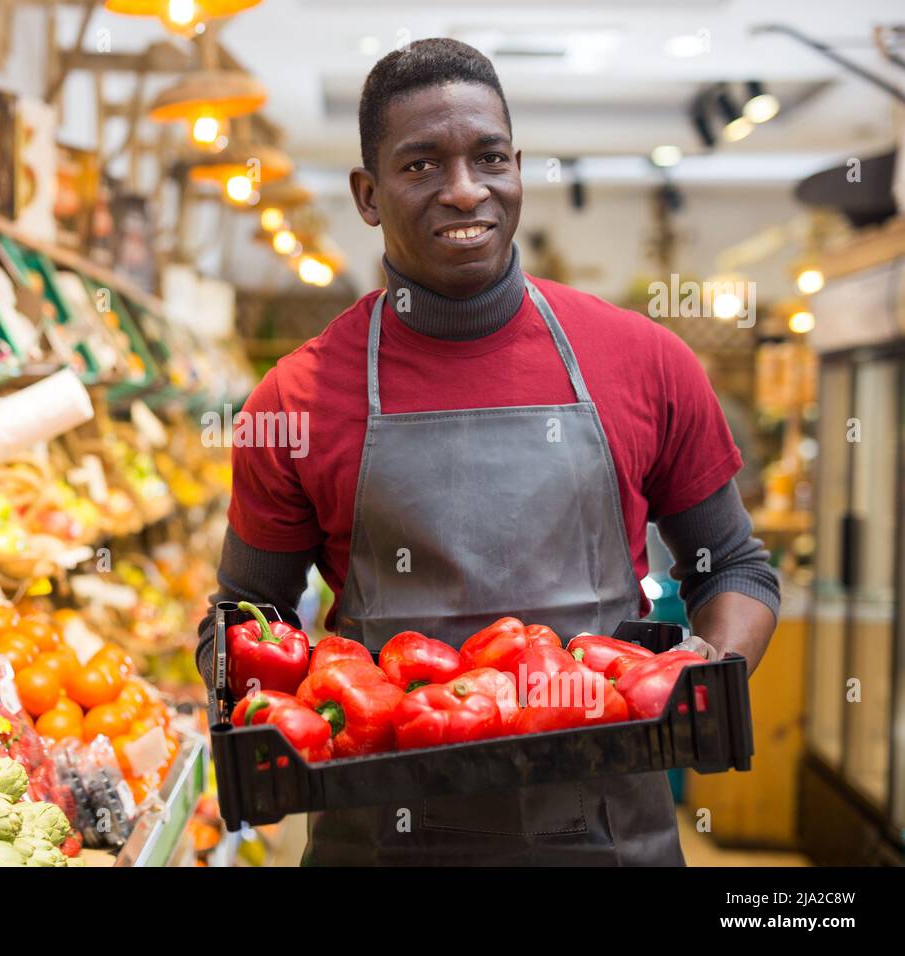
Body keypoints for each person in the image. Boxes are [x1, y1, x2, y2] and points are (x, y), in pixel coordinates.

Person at [196, 38, 780, 866]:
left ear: (518, 168)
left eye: (489, 157)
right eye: (420, 164)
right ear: (367, 194)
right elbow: (245, 614)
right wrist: (249, 716)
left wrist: (706, 675)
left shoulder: (645, 361)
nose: (464, 189)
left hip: (608, 833)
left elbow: (735, 569)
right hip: (381, 835)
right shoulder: (293, 399)